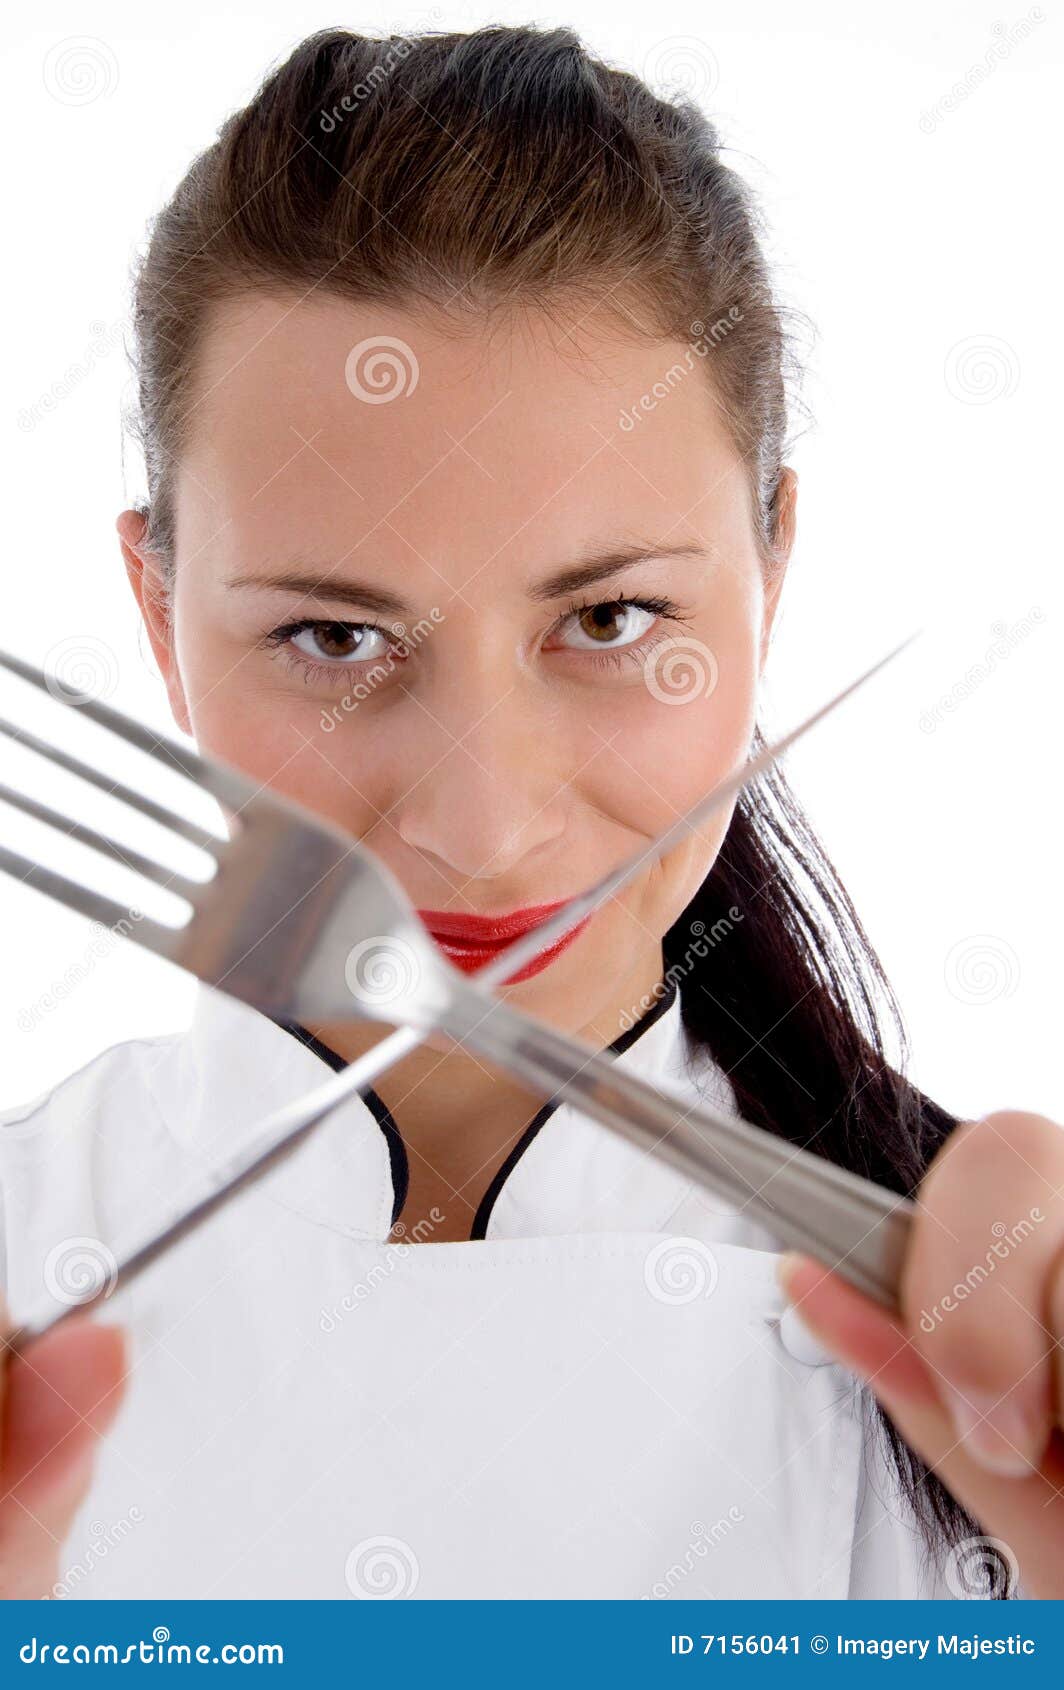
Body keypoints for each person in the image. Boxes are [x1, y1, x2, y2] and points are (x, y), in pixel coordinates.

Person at [1, 23, 1061, 1602]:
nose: (485, 826)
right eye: (333, 638)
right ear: (158, 617)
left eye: (613, 620)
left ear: (771, 570)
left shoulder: (1004, 1341)